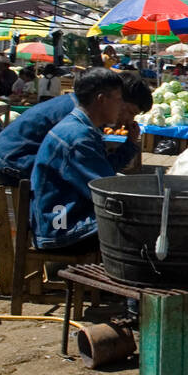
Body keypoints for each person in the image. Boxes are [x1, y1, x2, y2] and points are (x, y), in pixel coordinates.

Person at [30, 69, 134, 253]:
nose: (122, 106)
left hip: (63, 220)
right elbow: (106, 190)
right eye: (119, 99)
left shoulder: (80, 127)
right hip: (61, 229)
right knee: (139, 230)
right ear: (101, 99)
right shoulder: (79, 138)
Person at [0, 72, 150, 187]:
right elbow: (99, 173)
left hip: (6, 159)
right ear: (112, 99)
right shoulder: (78, 119)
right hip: (10, 166)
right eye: (131, 112)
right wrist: (129, 146)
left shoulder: (85, 106)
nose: (130, 120)